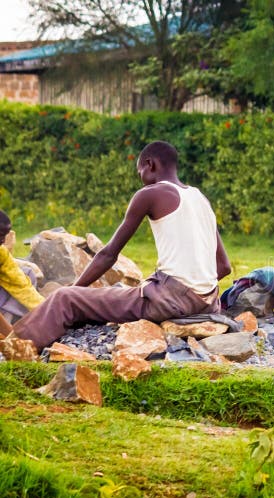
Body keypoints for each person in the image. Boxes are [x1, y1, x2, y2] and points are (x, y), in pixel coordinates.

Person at [3, 141, 231, 354]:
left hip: (169, 301)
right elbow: (224, 267)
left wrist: (75, 290)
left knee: (65, 298)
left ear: (150, 164)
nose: (141, 178)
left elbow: (109, 254)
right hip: (209, 304)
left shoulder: (150, 194)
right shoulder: (200, 198)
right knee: (116, 295)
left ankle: (16, 348)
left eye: (140, 171)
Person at [0, 210, 44, 336]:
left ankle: (9, 323)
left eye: (5, 236)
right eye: (0, 235)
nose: (3, 241)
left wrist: (46, 310)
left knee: (28, 274)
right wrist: (11, 338)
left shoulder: (1, 252)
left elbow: (21, 285)